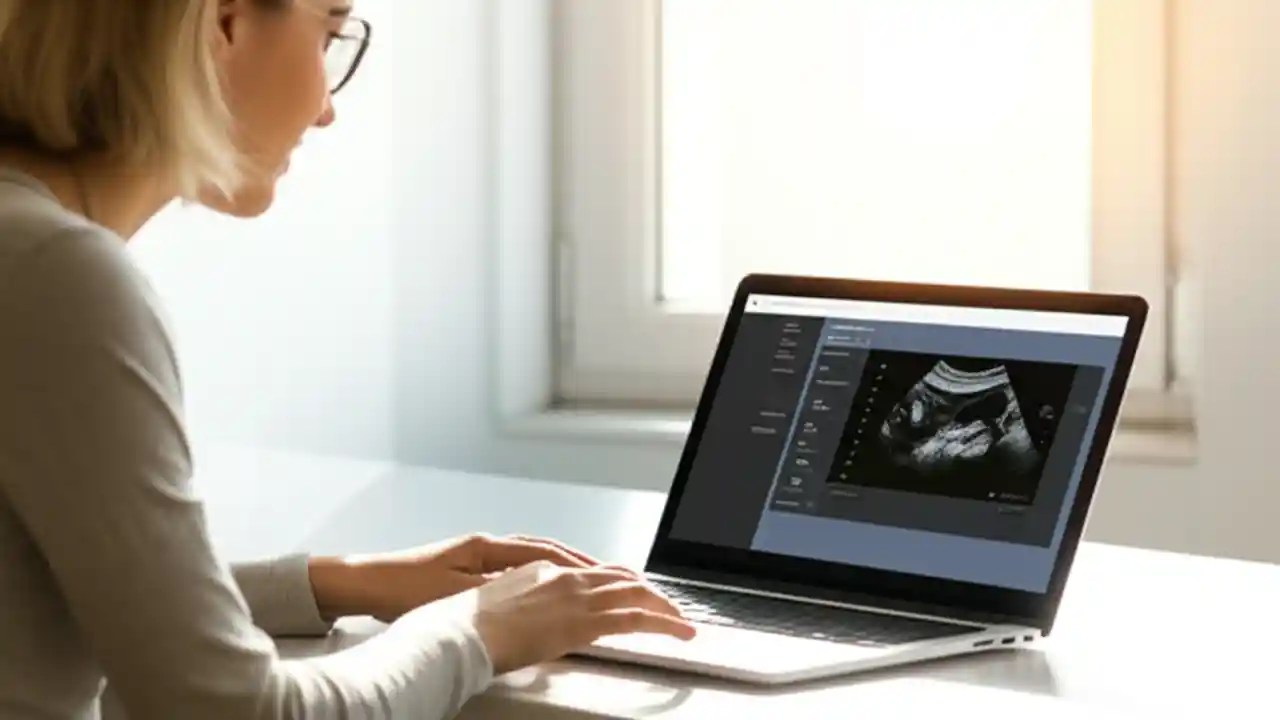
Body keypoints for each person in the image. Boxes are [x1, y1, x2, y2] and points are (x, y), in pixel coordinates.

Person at [0, 1, 695, 718]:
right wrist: (477, 629)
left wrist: (338, 581)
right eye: (328, 34)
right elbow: (232, 709)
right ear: (223, 24)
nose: (326, 109)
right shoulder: (57, 275)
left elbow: (77, 604)